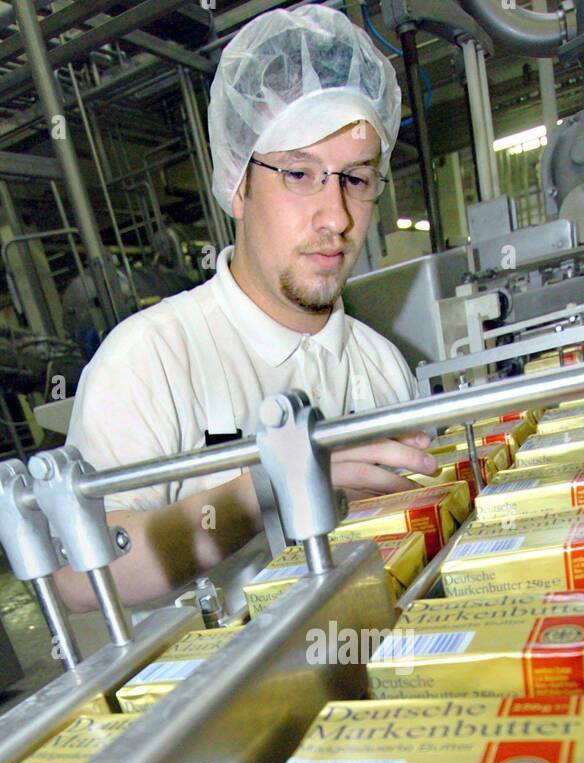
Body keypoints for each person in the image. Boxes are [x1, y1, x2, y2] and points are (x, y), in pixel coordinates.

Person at [57, 5, 437, 613]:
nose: (336, 217)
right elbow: (80, 578)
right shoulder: (152, 356)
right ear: (238, 183)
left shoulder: (382, 363)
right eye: (299, 173)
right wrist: (268, 487)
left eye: (356, 180)